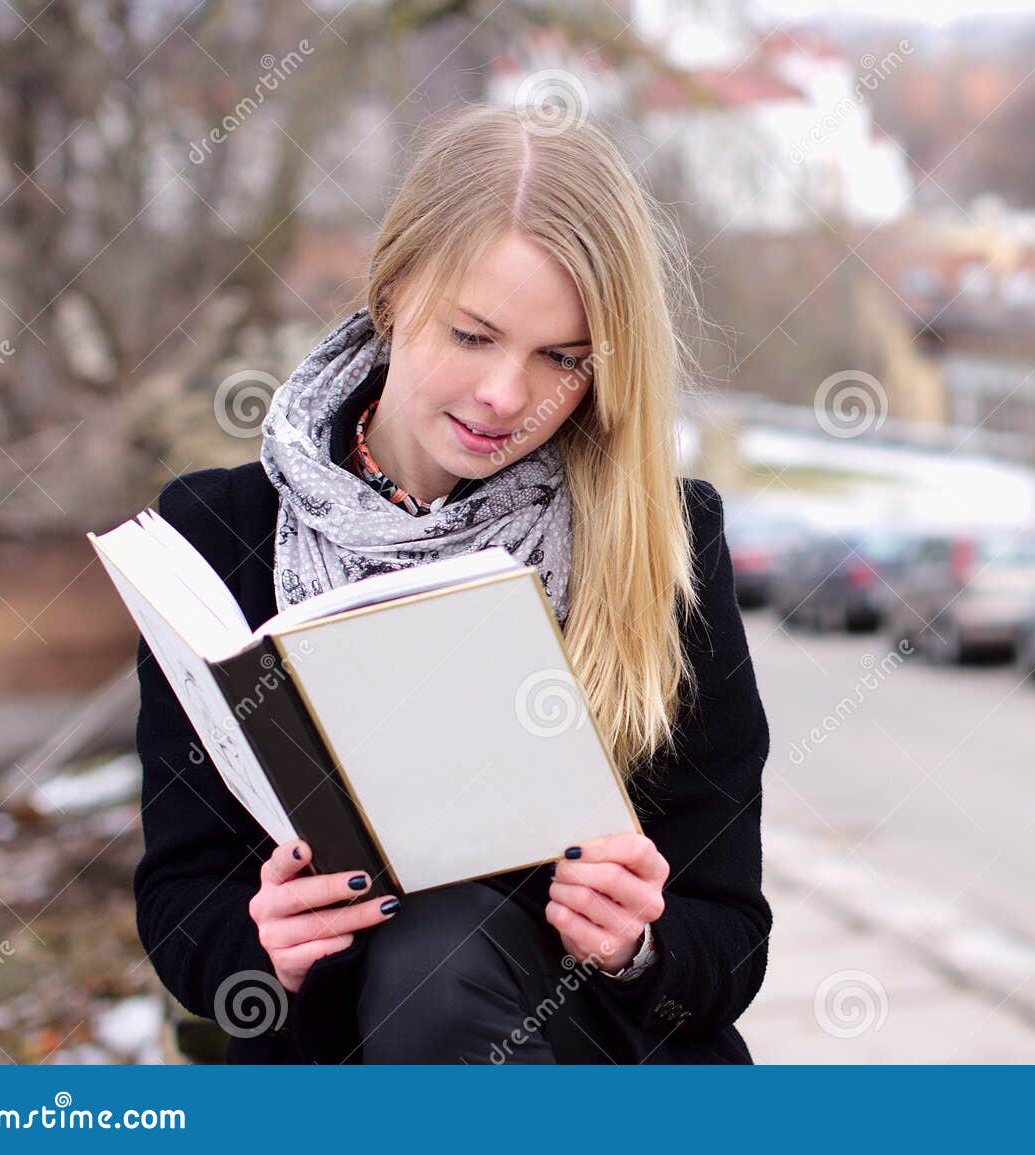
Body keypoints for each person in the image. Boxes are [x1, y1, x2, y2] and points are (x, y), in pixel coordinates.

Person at [132, 104, 773, 1064]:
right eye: (473, 335)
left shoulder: (663, 542)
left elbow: (732, 931)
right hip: (335, 1062)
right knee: (427, 953)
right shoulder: (218, 536)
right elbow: (182, 895)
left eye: (563, 359)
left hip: (596, 1059)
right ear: (393, 293)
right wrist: (264, 945)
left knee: (445, 955)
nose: (506, 397)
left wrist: (644, 943)